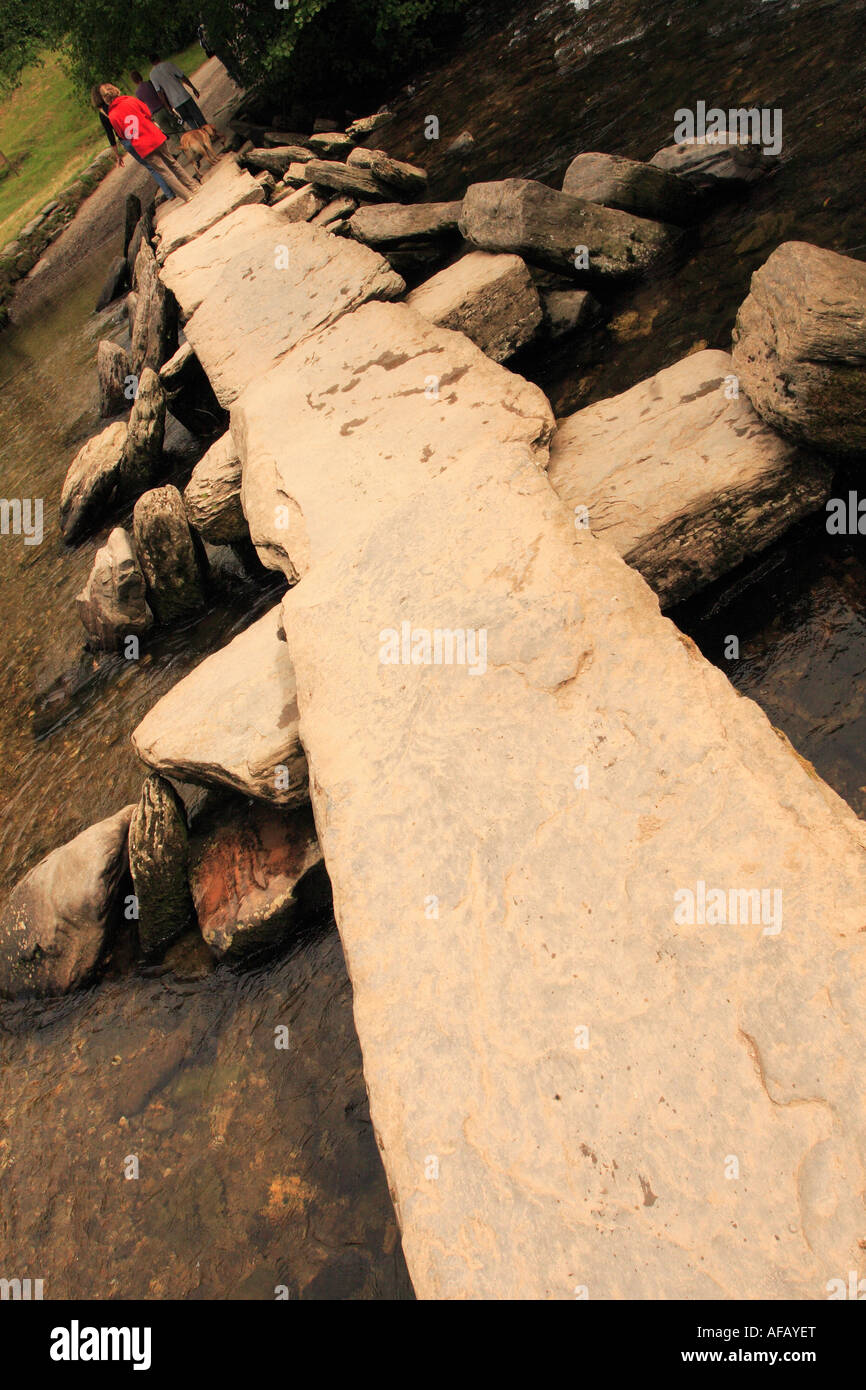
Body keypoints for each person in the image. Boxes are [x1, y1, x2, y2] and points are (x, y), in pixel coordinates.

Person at [99, 84, 197, 202]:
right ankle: (193, 186)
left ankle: (186, 196)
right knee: (172, 162)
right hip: (154, 136)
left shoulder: (113, 116)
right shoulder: (131, 100)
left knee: (164, 171)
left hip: (142, 146)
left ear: (105, 99)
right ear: (116, 91)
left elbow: (122, 134)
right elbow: (148, 114)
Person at [148, 54, 207, 131]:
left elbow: (159, 92)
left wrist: (167, 106)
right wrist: (193, 88)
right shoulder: (168, 64)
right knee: (197, 115)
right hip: (184, 95)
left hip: (175, 102)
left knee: (189, 120)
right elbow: (182, 77)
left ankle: (199, 134)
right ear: (159, 57)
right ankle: (209, 132)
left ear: (151, 63)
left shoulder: (152, 75)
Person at [130, 68, 177, 137]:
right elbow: (160, 93)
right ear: (140, 76)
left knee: (170, 133)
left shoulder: (138, 93)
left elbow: (143, 106)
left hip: (156, 115)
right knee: (178, 125)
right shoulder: (150, 83)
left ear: (134, 81)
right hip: (164, 108)